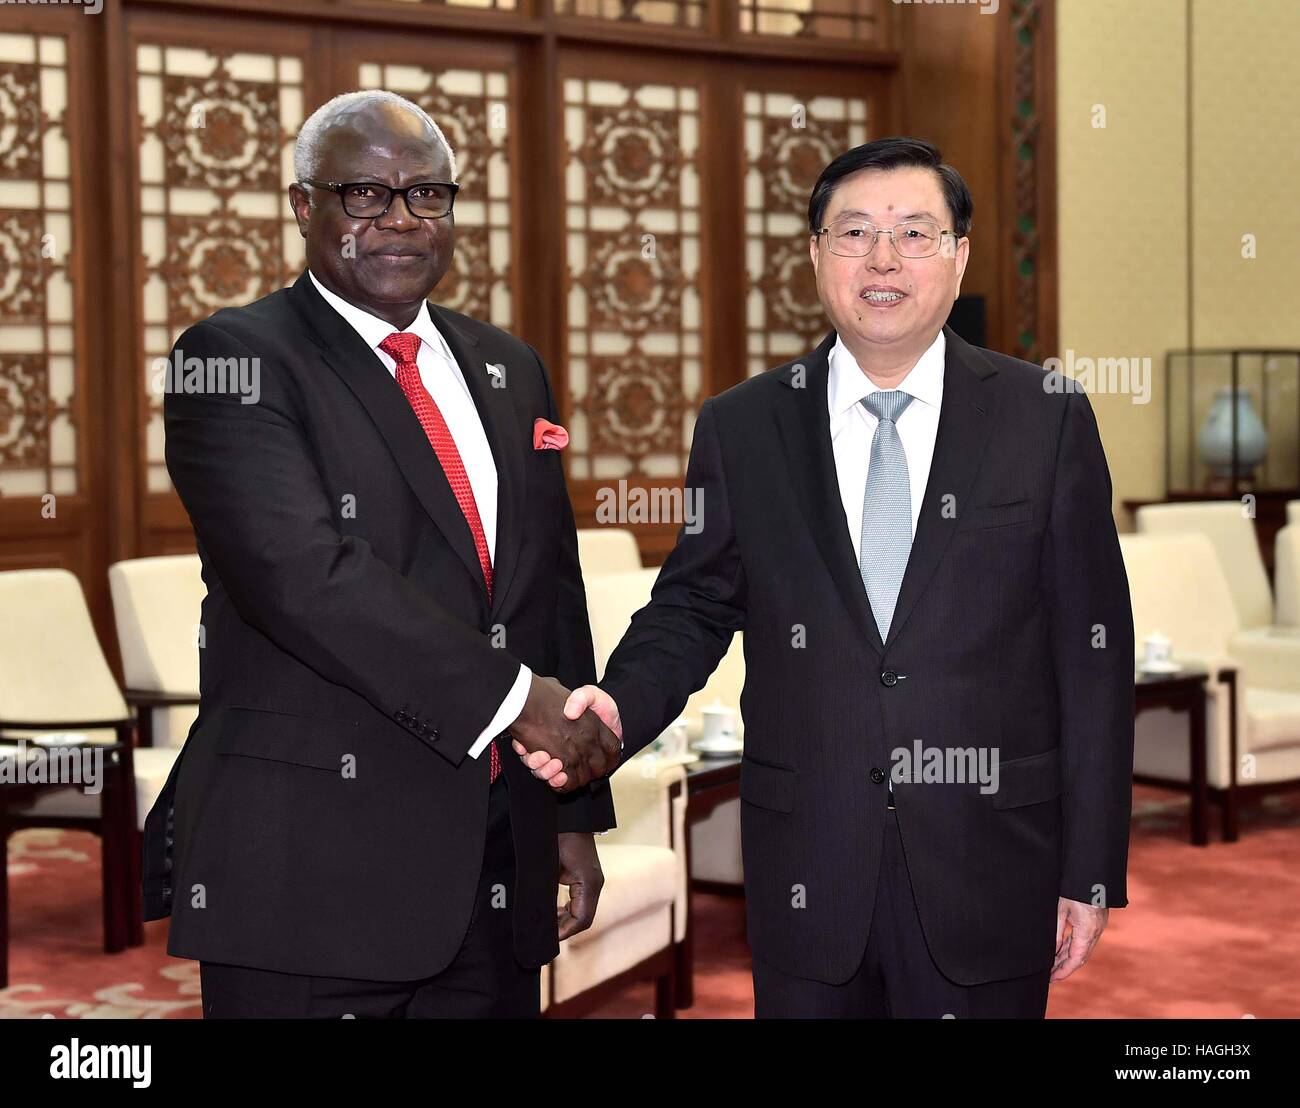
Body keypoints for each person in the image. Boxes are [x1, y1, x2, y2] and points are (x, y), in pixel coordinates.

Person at [536, 137, 1136, 1018]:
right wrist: (618, 706)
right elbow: (697, 603)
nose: (884, 260)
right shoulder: (743, 427)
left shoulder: (1044, 417)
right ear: (817, 256)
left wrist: (1088, 869)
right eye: (854, 232)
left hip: (993, 859)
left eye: (916, 233)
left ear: (959, 257)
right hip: (808, 866)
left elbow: (1093, 654)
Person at [142, 90, 620, 1018]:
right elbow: (303, 578)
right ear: (302, 207)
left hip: (492, 862)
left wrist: (568, 812)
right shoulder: (232, 360)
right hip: (311, 877)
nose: (401, 220)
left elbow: (548, 593)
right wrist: (524, 703)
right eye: (364, 194)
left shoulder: (508, 366)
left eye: (428, 194)